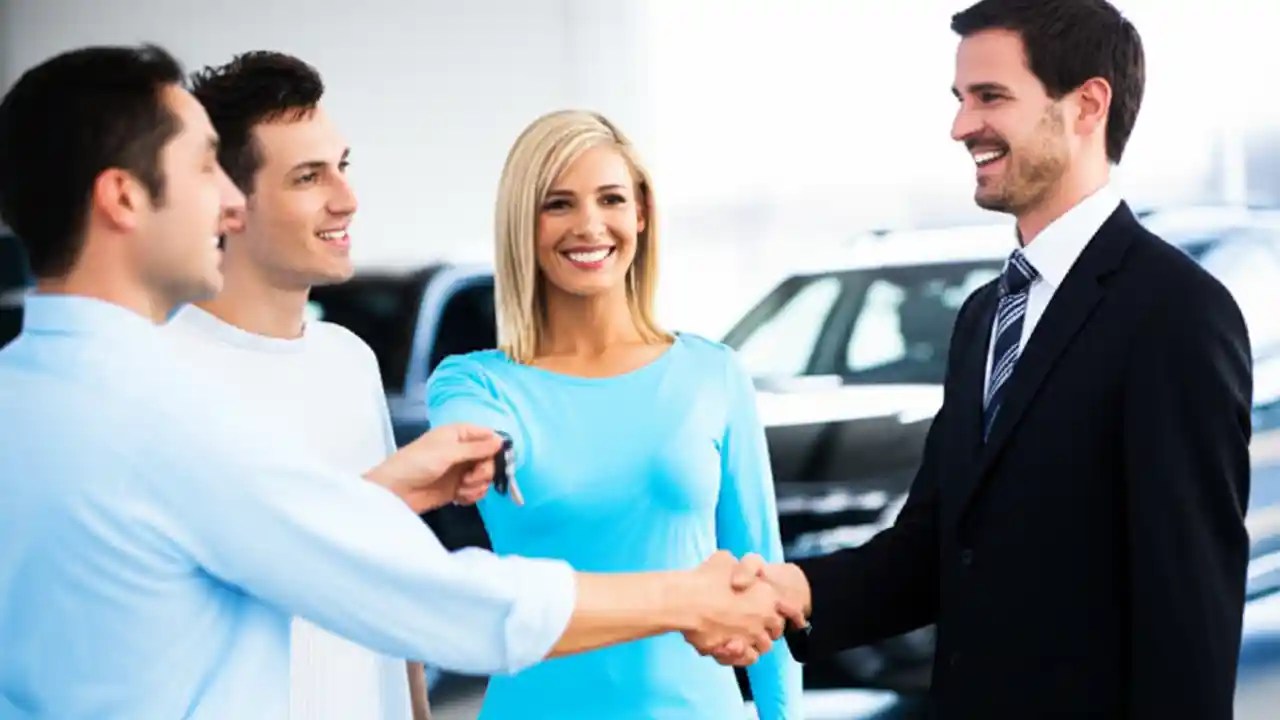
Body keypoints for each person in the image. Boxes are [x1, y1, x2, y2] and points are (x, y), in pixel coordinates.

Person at [0, 44, 791, 720]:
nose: (226, 202)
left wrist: (386, 495)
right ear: (123, 198)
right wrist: (691, 598)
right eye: (205, 167)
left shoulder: (29, 395)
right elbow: (430, 599)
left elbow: (305, 547)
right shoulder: (167, 409)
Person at [731, 0, 1254, 717]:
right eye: (960, 99)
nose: (960, 126)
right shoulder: (985, 315)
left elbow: (1189, 611)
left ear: (1086, 105)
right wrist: (793, 593)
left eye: (991, 97)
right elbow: (932, 550)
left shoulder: (1175, 313)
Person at [425, 110, 802, 719]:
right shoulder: (476, 383)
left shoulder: (713, 373)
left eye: (611, 199)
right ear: (523, 223)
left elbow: (764, 576)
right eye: (558, 204)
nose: (589, 225)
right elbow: (471, 434)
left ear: (642, 214)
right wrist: (488, 448)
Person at [165, 50, 432, 720]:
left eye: (341, 167)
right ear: (231, 205)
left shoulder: (349, 360)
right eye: (308, 177)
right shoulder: (160, 373)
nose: (347, 199)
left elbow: (390, 576)